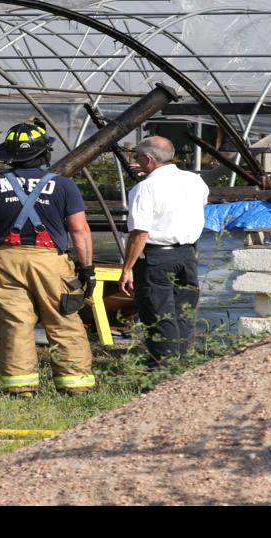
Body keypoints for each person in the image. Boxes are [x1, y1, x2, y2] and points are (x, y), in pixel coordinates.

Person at [0, 122, 96, 397]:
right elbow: (80, 230)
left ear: (9, 155)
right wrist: (87, 268)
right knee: (63, 319)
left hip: (5, 261)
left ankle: (20, 388)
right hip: (50, 262)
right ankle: (76, 386)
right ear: (45, 153)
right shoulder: (64, 186)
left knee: (15, 324)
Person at [118, 136, 209, 367]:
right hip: (187, 254)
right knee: (183, 313)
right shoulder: (195, 181)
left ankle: (163, 370)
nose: (136, 161)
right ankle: (182, 366)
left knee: (159, 314)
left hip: (157, 257)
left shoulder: (145, 188)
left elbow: (140, 233)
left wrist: (127, 268)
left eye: (137, 156)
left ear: (149, 159)